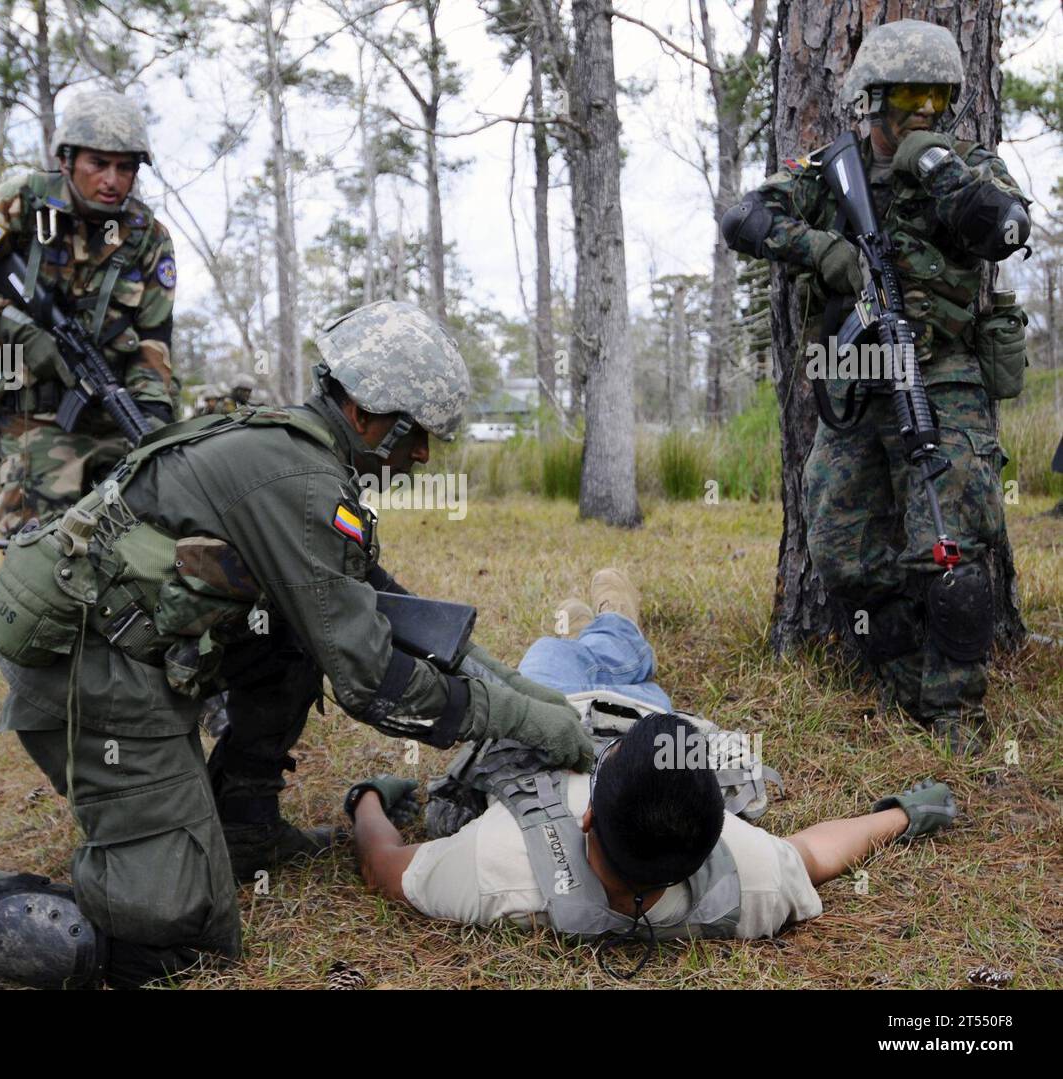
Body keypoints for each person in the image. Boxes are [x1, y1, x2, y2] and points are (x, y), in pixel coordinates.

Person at [0, 300, 593, 991]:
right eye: (415, 437)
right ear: (365, 414)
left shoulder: (303, 457)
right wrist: (522, 722)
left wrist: (546, 705)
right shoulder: (300, 481)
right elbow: (371, 677)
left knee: (290, 636)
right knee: (165, 940)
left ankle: (240, 823)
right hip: (87, 665)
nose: (420, 457)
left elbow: (398, 616)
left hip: (133, 644)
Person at [346, 569, 959, 954]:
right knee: (629, 666)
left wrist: (369, 797)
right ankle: (614, 616)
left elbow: (384, 867)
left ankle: (600, 626)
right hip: (645, 717)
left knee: (548, 652)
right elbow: (817, 852)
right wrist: (903, 815)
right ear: (717, 836)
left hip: (551, 706)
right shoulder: (751, 878)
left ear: (587, 818)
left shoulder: (496, 864)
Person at [720, 19, 1032, 753]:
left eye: (934, 99)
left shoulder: (969, 166)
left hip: (945, 374)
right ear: (870, 101)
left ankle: (954, 707)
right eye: (905, 99)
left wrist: (939, 170)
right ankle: (896, 670)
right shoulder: (833, 169)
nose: (920, 115)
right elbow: (744, 217)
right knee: (839, 545)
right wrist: (822, 248)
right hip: (860, 376)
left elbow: (1008, 229)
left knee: (952, 544)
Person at [0, 90, 182, 537]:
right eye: (98, 163)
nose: (112, 180)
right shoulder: (22, 202)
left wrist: (153, 425)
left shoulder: (148, 239)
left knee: (134, 542)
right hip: (33, 415)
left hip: (115, 414)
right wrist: (18, 332)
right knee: (42, 548)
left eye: (125, 168)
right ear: (66, 159)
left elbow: (154, 339)